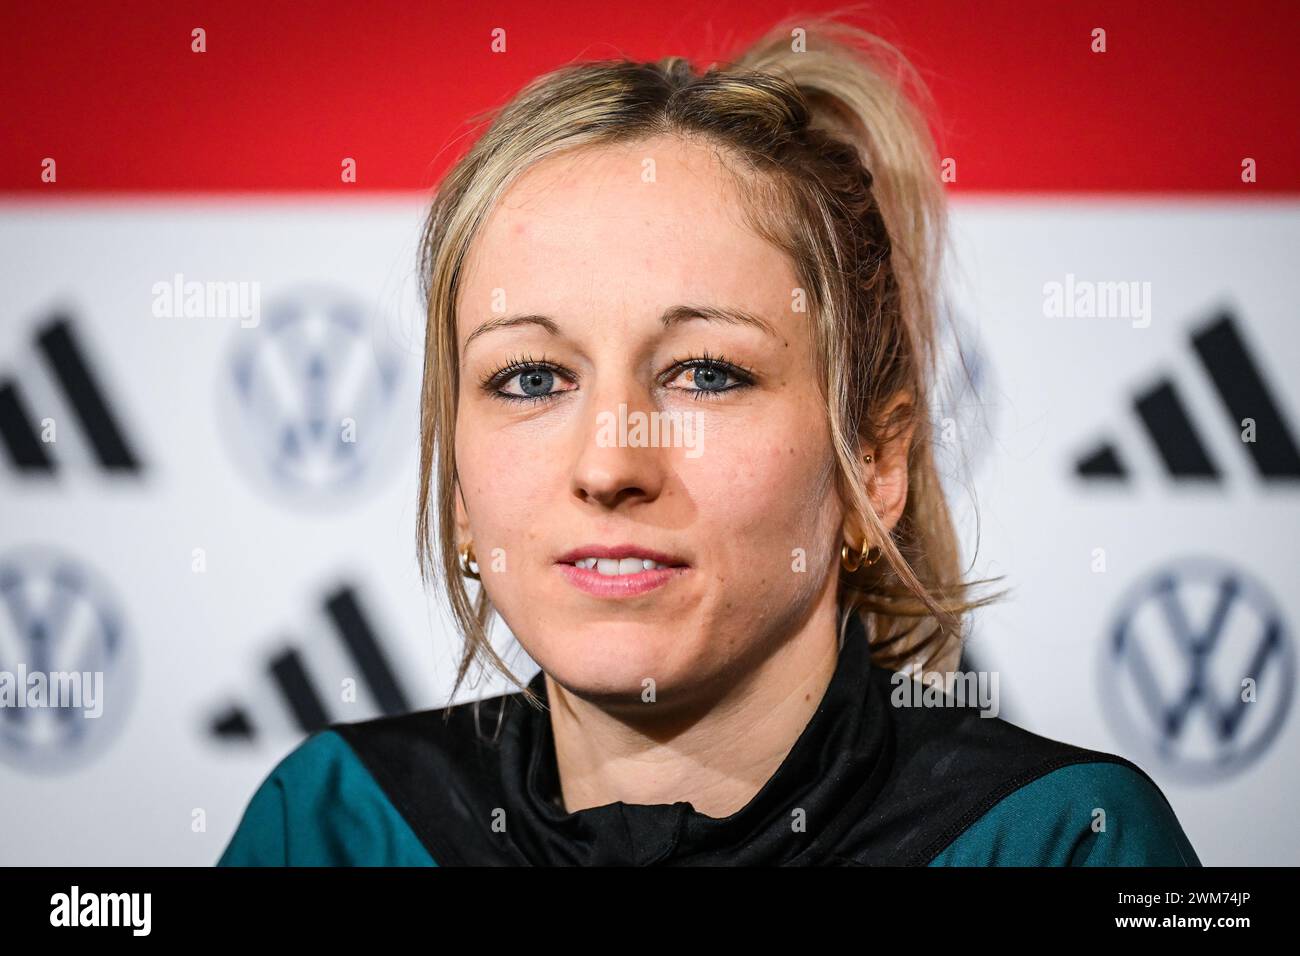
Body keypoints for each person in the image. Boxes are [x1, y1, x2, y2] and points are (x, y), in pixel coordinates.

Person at [218, 14, 1200, 866]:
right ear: (463, 494)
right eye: (530, 378)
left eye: (705, 372)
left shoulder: (1058, 840)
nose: (609, 464)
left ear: (875, 461)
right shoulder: (334, 825)